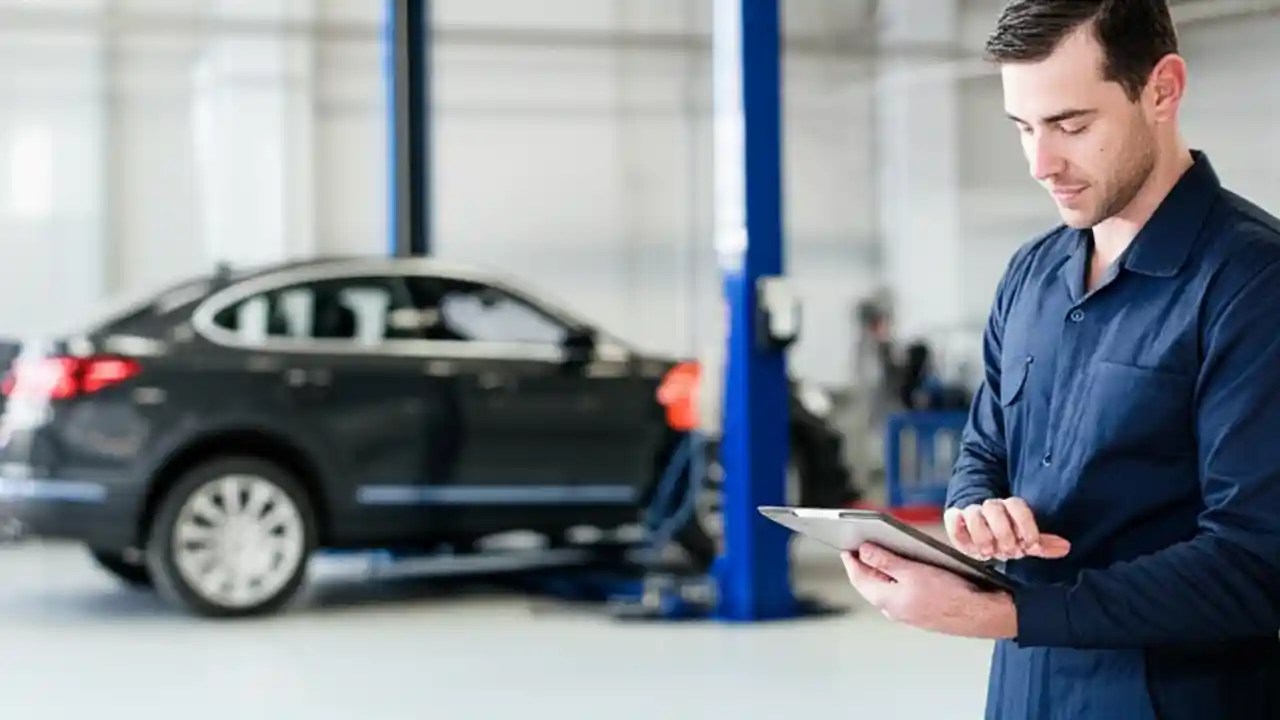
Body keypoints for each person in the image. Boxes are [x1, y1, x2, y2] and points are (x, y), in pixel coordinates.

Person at [839, 1, 1280, 718]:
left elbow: (1258, 562)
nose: (1043, 165)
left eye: (1073, 126)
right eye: (1024, 128)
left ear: (1162, 89)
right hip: (1024, 691)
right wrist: (974, 511)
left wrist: (1002, 614)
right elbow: (986, 446)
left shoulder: (1251, 284)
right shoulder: (1032, 274)